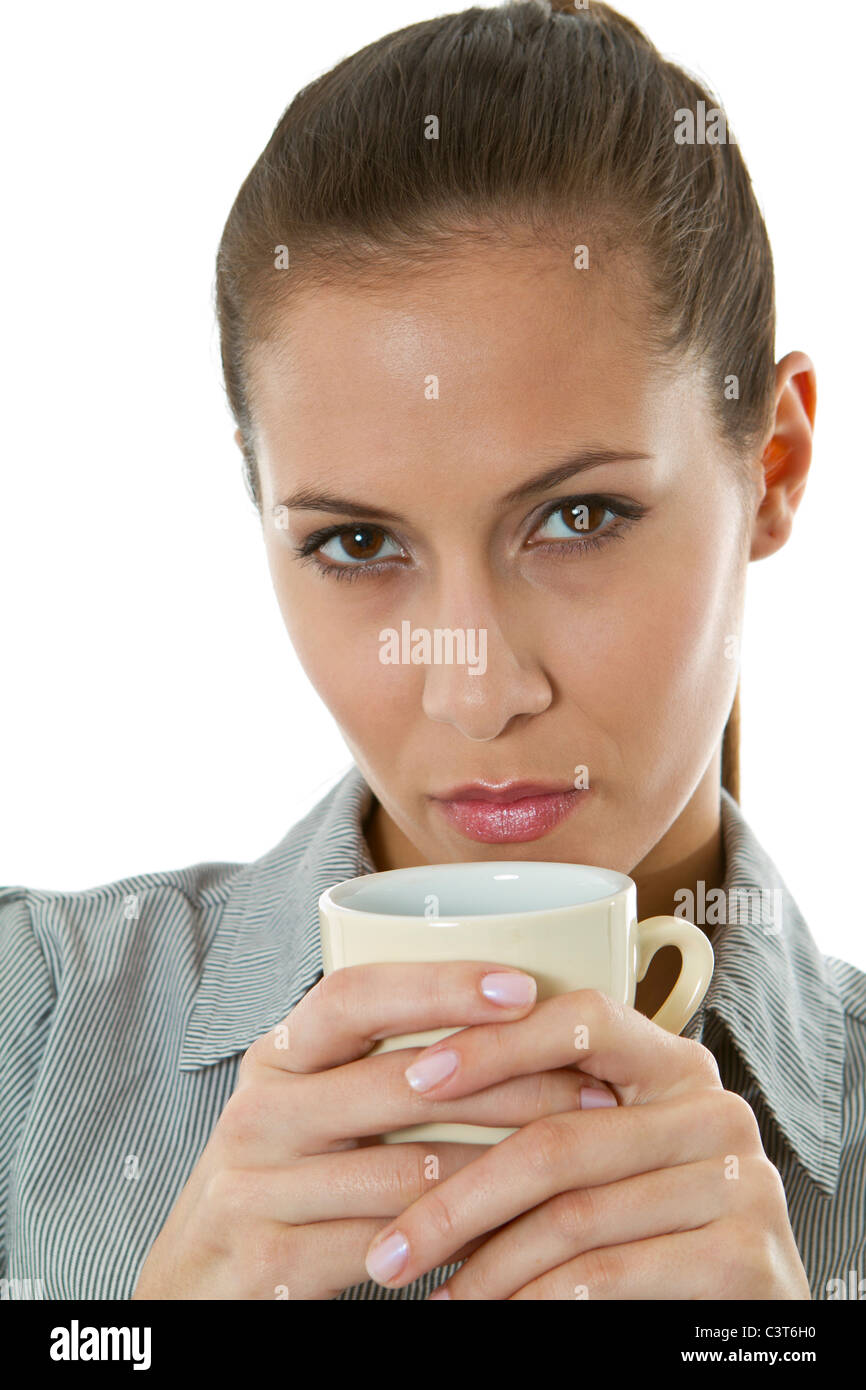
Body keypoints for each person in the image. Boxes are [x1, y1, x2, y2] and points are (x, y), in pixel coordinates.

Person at [2, 0, 863, 1302]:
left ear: (775, 468)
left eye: (577, 518)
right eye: (357, 543)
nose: (475, 691)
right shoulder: (30, 1031)